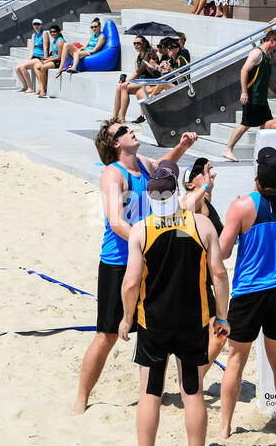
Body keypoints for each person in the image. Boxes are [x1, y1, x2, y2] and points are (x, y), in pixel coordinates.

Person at [70, 121, 196, 416]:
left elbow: (164, 165)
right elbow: (115, 222)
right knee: (107, 335)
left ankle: (150, 394)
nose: (130, 130)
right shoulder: (113, 174)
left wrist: (182, 148)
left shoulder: (143, 163)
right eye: (123, 130)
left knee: (152, 332)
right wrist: (144, 243)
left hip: (147, 257)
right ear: (115, 144)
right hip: (119, 261)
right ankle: (81, 397)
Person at [118, 160, 230, 446]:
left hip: (153, 321)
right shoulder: (201, 225)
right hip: (193, 320)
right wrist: (222, 315)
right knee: (192, 391)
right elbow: (219, 275)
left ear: (151, 197)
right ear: (177, 192)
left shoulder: (141, 230)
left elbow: (130, 284)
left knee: (151, 393)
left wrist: (127, 319)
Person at [218, 147, 276, 439]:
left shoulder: (241, 206)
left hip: (249, 293)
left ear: (256, 178)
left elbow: (224, 251)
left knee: (235, 359)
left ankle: (224, 428)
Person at [182, 157, 230, 383]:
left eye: (207, 170)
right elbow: (184, 207)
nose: (206, 173)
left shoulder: (207, 204)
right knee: (218, 335)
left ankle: (191, 380)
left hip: (201, 279)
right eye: (200, 172)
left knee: (200, 337)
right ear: (191, 184)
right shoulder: (194, 202)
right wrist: (205, 187)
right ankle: (193, 380)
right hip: (196, 281)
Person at [221, 29, 276, 161]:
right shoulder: (257, 53)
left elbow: (268, 78)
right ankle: (228, 149)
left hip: (261, 98)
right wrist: (244, 91)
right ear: (272, 40)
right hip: (252, 96)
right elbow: (244, 70)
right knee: (246, 124)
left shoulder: (268, 56)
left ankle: (263, 151)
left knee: (267, 124)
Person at [113, 34, 159, 124]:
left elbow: (139, 72)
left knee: (125, 87)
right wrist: (126, 81)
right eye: (134, 43)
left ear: (145, 44)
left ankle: (121, 117)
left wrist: (128, 81)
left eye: (138, 43)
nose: (136, 45)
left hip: (150, 82)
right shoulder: (138, 56)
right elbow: (137, 72)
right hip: (141, 81)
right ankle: (114, 116)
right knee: (119, 87)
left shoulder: (149, 53)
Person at [14, 18, 46, 94]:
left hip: (40, 57)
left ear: (41, 25)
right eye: (34, 24)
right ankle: (25, 86)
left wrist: (45, 58)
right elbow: (32, 49)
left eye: (38, 24)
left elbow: (45, 47)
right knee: (17, 68)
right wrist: (29, 59)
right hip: (33, 57)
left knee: (23, 67)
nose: (36, 26)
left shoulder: (44, 33)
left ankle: (30, 87)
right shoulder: (34, 35)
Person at [33, 24, 65, 99]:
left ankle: (43, 90)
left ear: (58, 32)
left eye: (54, 32)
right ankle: (41, 86)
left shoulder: (60, 41)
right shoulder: (55, 41)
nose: (52, 34)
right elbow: (53, 55)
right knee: (36, 66)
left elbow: (59, 57)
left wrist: (47, 61)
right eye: (51, 32)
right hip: (55, 59)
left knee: (43, 67)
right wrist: (46, 59)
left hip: (60, 62)